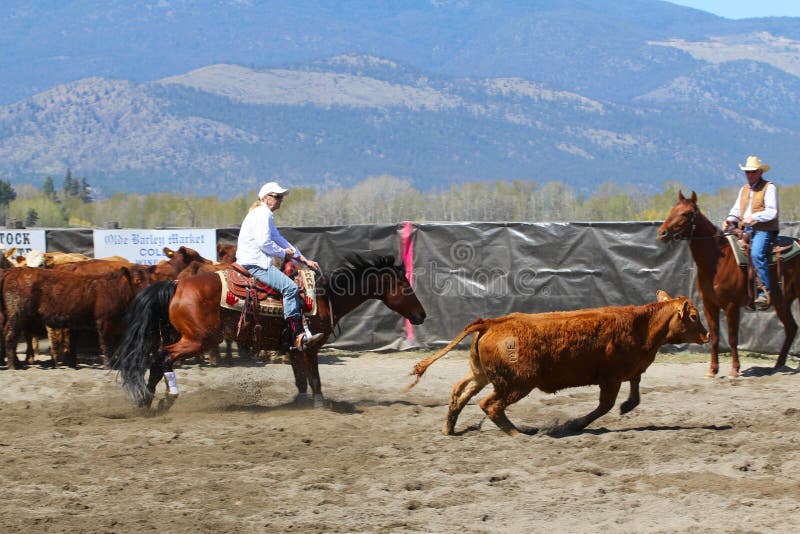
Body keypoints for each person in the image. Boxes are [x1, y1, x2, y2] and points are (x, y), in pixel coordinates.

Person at [236, 181, 324, 350]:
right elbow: (265, 243)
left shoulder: (261, 213)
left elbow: (279, 239)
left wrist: (303, 259)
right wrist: (285, 254)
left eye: (281, 197)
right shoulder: (263, 214)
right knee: (290, 288)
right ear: (265, 198)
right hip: (255, 263)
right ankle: (298, 334)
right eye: (277, 196)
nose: (280, 200)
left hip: (250, 260)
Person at [722, 155, 779, 310]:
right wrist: (729, 219)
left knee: (756, 254)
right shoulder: (744, 189)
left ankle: (764, 291)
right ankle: (740, 291)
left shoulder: (769, 187)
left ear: (760, 172)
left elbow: (772, 212)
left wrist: (753, 217)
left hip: (764, 229)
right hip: (745, 230)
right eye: (747, 172)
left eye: (753, 172)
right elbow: (736, 210)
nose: (749, 174)